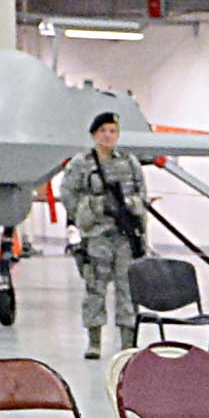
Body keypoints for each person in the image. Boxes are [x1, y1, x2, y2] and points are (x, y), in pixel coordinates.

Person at [56, 111, 151, 360]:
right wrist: (88, 212)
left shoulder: (130, 162)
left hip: (124, 236)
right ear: (94, 135)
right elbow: (67, 193)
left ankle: (127, 340)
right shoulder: (82, 163)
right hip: (96, 235)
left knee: (127, 287)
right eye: (103, 131)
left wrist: (131, 207)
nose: (108, 136)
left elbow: (142, 195)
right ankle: (94, 341)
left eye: (112, 131)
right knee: (95, 286)